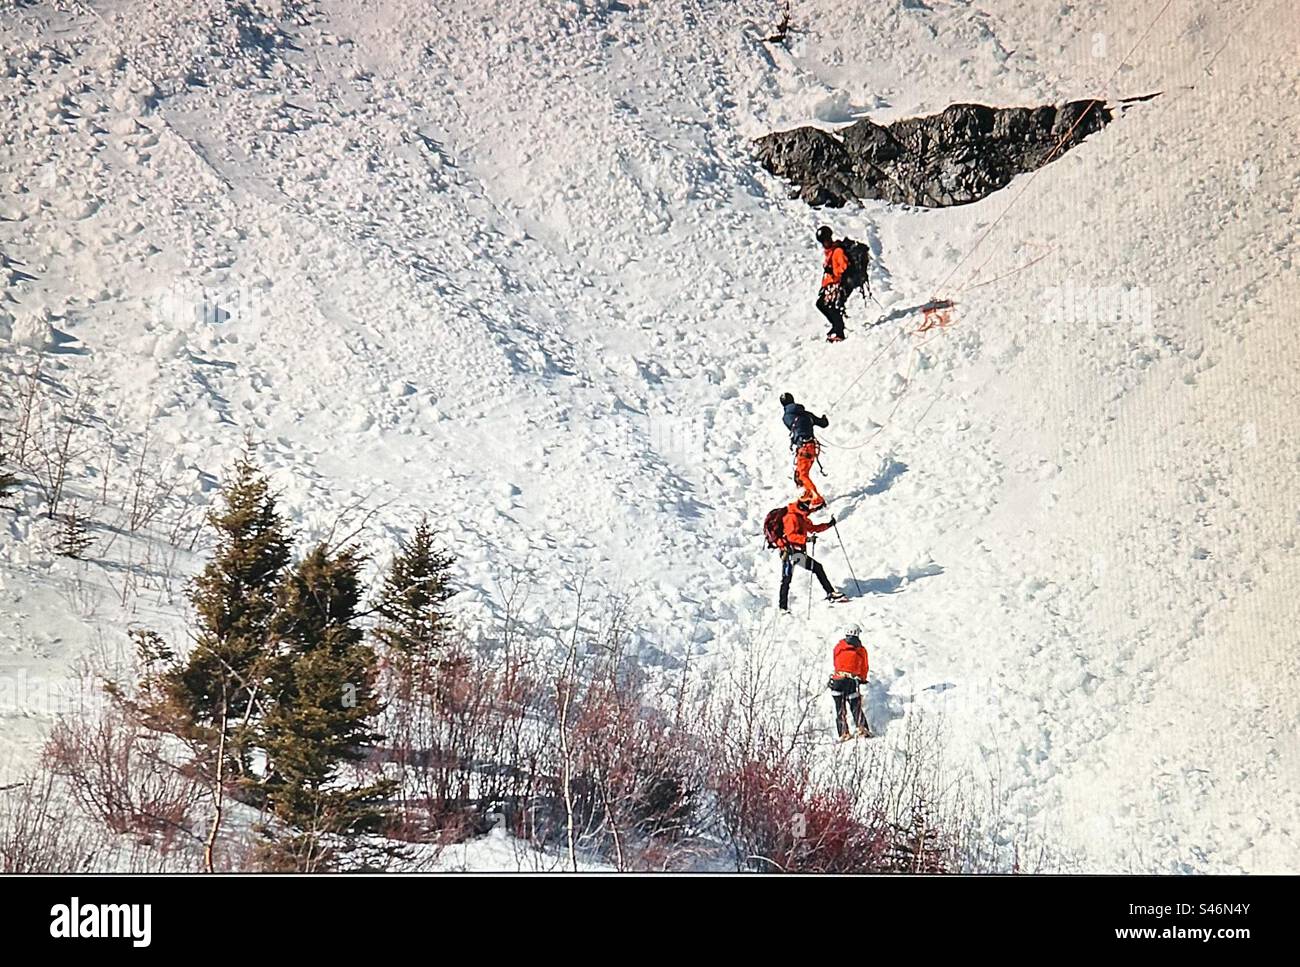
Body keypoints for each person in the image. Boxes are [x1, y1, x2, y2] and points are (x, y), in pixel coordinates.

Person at [778, 499, 848, 611]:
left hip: (797, 553)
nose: (808, 510)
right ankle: (782, 607)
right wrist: (806, 539)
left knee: (817, 567)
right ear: (801, 507)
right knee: (787, 579)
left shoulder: (801, 516)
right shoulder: (791, 517)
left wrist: (828, 525)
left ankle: (830, 593)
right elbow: (790, 536)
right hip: (789, 552)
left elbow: (813, 528)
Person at [780, 392, 828, 510]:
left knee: (802, 475)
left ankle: (816, 498)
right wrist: (823, 418)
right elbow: (824, 424)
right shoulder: (807, 414)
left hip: (803, 447)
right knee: (799, 474)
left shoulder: (786, 417)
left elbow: (792, 426)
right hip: (812, 446)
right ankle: (808, 495)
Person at [829, 625, 872, 739]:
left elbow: (836, 662)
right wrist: (862, 678)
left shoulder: (838, 647)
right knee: (855, 705)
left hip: (837, 680)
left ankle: (843, 733)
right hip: (851, 680)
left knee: (840, 708)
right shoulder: (861, 650)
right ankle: (862, 728)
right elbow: (864, 667)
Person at [815, 225, 849, 342]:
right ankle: (836, 326)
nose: (825, 243)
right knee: (822, 304)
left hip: (837, 284)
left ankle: (839, 331)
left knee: (829, 306)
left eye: (826, 240)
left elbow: (844, 267)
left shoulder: (838, 251)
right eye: (823, 242)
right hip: (830, 285)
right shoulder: (829, 253)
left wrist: (833, 272)